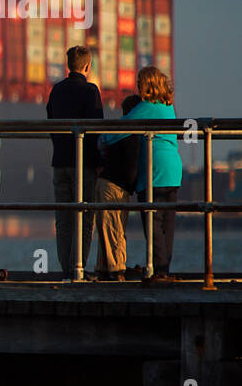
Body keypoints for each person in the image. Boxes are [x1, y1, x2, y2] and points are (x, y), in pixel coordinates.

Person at [99, 67, 182, 280]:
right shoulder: (168, 107)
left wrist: (100, 140)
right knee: (167, 225)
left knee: (152, 223)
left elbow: (119, 130)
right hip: (173, 171)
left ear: (146, 84)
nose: (137, 86)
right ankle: (164, 270)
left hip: (154, 171)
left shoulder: (147, 107)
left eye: (139, 82)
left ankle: (160, 272)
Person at [46, 45, 104, 279]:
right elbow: (97, 129)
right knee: (84, 216)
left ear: (67, 65)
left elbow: (49, 122)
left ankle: (66, 270)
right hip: (84, 164)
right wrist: (99, 161)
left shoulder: (56, 90)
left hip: (59, 161)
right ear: (88, 67)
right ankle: (78, 269)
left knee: (63, 220)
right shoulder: (91, 91)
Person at [93, 94, 142, 280]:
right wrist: (132, 187)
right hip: (115, 186)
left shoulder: (114, 132)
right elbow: (131, 166)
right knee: (115, 229)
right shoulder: (130, 134)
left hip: (103, 182)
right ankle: (116, 270)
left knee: (105, 229)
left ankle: (103, 269)